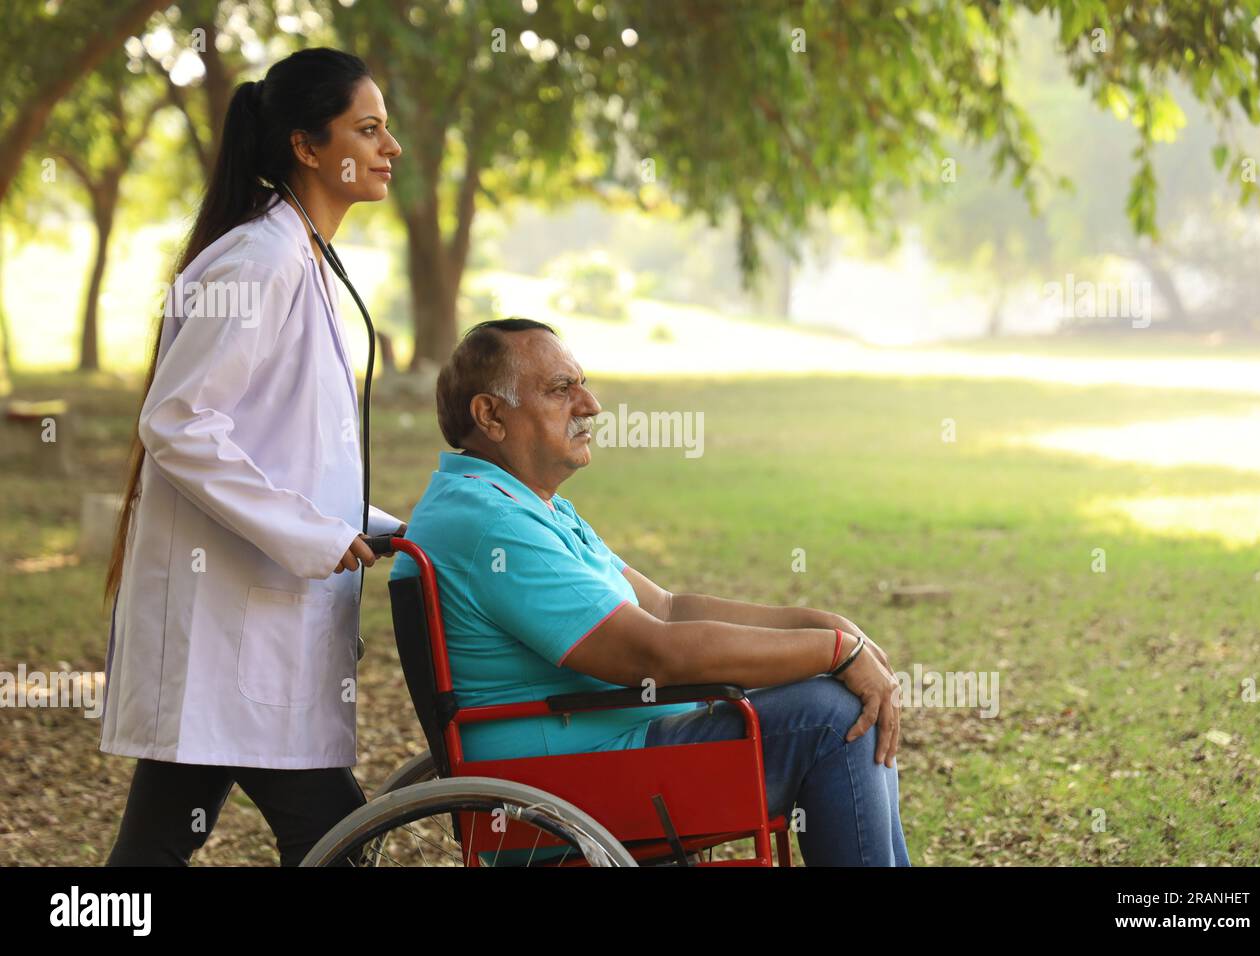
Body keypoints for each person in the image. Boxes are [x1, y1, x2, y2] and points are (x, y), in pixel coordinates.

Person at [391, 319, 910, 865]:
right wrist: (836, 654)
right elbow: (652, 653)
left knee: (835, 699)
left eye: (582, 384)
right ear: (490, 415)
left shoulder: (521, 504)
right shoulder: (492, 523)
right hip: (566, 789)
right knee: (831, 714)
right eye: (560, 389)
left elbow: (667, 607)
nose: (589, 405)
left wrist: (826, 626)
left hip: (601, 760)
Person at [99, 48, 405, 867]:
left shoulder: (298, 256)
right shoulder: (260, 261)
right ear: (308, 146)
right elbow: (179, 422)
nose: (391, 147)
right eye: (366, 129)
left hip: (247, 634)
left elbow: (289, 448)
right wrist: (311, 538)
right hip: (226, 628)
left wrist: (379, 524)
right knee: (335, 839)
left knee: (162, 851)